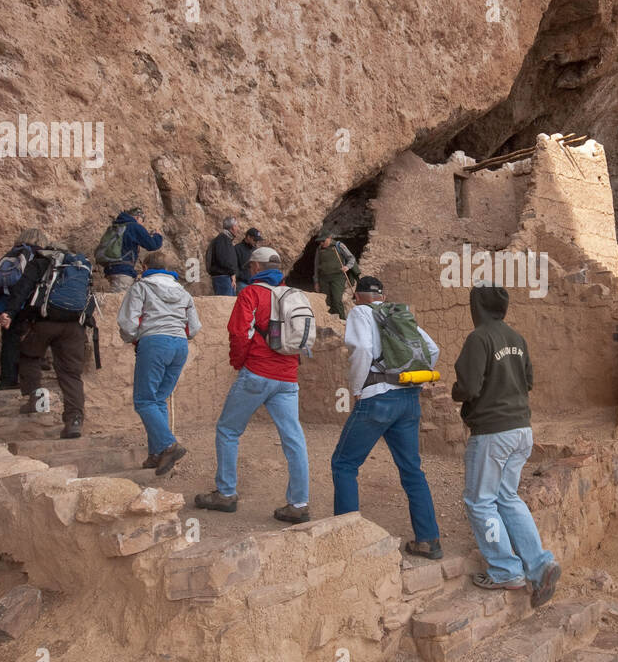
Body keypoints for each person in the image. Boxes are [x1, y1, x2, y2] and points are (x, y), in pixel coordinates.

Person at [451, 285, 560, 607]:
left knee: (480, 501)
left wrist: (457, 392)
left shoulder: (479, 338)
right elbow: (528, 382)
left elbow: (468, 387)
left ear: (478, 307)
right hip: (521, 429)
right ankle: (540, 565)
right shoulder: (517, 338)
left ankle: (505, 570)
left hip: (493, 432)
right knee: (507, 497)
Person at [194, 248, 311, 522]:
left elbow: (239, 332)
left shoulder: (251, 293)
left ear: (256, 267)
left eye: (250, 266)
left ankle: (226, 493)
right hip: (287, 377)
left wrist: (239, 363)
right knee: (293, 438)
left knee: (228, 430)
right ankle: (298, 503)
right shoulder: (293, 295)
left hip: (257, 372)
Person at [330, 275, 442, 559]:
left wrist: (358, 389)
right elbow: (432, 349)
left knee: (344, 464)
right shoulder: (398, 313)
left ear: (357, 296)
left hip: (378, 398)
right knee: (412, 470)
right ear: (383, 295)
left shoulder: (360, 312)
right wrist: (414, 377)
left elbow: (362, 350)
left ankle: (348, 542)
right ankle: (428, 540)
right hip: (408, 398)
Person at [0, 242, 97, 439]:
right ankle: (74, 420)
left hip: (44, 321)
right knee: (71, 374)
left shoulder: (41, 263)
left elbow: (22, 289)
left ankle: (36, 398)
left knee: (29, 355)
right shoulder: (79, 266)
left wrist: (9, 313)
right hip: (75, 326)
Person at [117, 252, 201, 475]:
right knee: (158, 399)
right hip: (180, 345)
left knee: (144, 400)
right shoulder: (182, 291)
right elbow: (194, 327)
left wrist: (134, 338)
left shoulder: (141, 287)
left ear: (145, 267)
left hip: (154, 342)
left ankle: (168, 445)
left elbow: (128, 322)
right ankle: (156, 454)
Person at [0, 228, 46, 390]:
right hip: (26, 305)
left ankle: (7, 380)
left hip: (5, 306)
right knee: (30, 342)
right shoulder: (38, 256)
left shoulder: (8, 256)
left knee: (9, 342)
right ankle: (29, 382)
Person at [97, 207, 163, 293]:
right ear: (137, 217)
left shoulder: (116, 227)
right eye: (142, 221)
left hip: (110, 270)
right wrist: (158, 236)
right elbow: (152, 245)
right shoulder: (134, 226)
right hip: (123, 272)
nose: (142, 224)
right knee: (121, 299)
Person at [313, 232, 360, 320]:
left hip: (338, 277)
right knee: (325, 300)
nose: (321, 243)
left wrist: (347, 267)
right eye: (320, 241)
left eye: (323, 241)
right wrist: (316, 282)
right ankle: (328, 320)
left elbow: (351, 258)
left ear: (329, 238)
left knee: (337, 299)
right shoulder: (319, 249)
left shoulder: (338, 245)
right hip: (323, 278)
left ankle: (341, 320)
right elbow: (316, 266)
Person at [205, 216, 242, 296]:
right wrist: (232, 273)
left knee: (229, 302)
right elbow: (223, 260)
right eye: (237, 226)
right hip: (223, 278)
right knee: (226, 302)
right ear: (232, 227)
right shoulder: (222, 239)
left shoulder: (225, 239)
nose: (238, 229)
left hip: (225, 277)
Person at [234, 227, 263, 291]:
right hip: (242, 283)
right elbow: (234, 266)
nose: (256, 242)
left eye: (257, 240)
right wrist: (241, 276)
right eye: (255, 240)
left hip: (254, 283)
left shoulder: (255, 250)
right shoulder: (237, 248)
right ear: (248, 237)